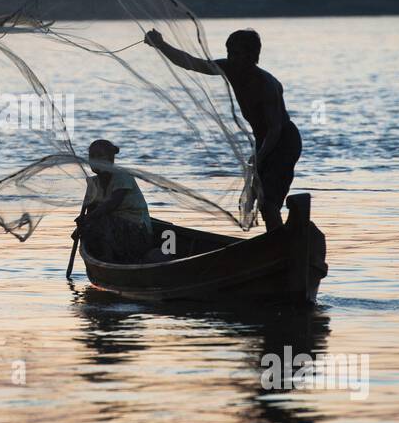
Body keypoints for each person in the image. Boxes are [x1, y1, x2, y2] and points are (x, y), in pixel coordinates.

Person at [144, 27, 300, 231]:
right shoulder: (230, 69)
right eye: (229, 53)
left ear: (252, 55)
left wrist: (260, 156)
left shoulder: (265, 84)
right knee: (261, 199)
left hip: (283, 141)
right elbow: (192, 63)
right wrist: (161, 45)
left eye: (236, 53)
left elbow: (275, 129)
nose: (231, 58)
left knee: (268, 201)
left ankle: (281, 244)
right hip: (264, 140)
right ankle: (277, 241)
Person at [75, 139, 154, 263]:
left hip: (138, 233)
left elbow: (112, 204)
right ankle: (107, 256)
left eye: (100, 156)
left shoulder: (122, 176)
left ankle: (109, 257)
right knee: (92, 224)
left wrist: (87, 219)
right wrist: (81, 226)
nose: (95, 160)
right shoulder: (93, 183)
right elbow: (90, 211)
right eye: (92, 156)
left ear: (111, 160)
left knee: (101, 219)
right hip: (117, 233)